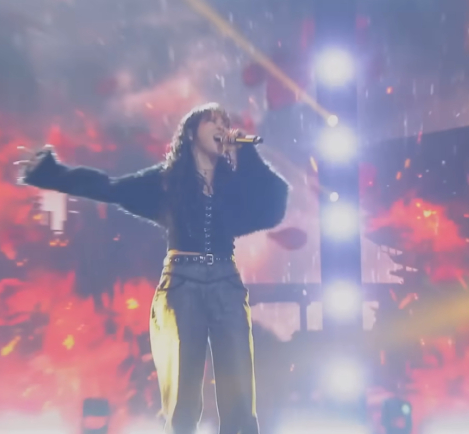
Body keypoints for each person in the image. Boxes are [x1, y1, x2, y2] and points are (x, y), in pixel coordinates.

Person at [17, 102, 289, 434]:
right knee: (183, 392)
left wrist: (247, 155)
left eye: (224, 121)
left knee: (239, 390)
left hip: (226, 283)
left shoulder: (232, 183)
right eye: (211, 121)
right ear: (191, 133)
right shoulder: (166, 180)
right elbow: (109, 187)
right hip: (182, 284)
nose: (221, 126)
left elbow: (275, 204)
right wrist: (50, 173)